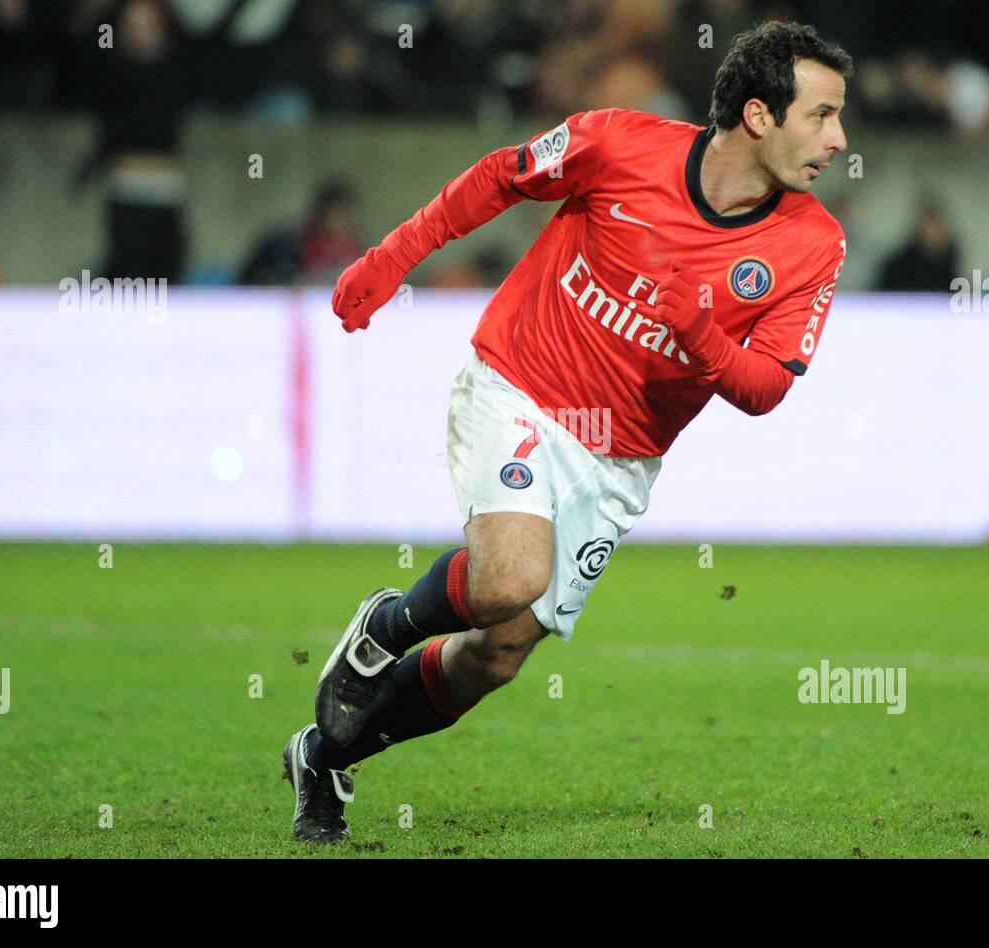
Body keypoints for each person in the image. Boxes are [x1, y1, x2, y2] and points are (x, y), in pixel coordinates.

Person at [283, 20, 852, 843]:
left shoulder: (812, 245)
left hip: (619, 459)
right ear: (760, 115)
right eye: (823, 115)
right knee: (510, 578)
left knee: (497, 652)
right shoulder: (618, 142)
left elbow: (764, 390)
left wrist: (699, 333)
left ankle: (327, 753)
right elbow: (500, 178)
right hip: (519, 384)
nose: (838, 140)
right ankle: (383, 629)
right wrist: (392, 256)